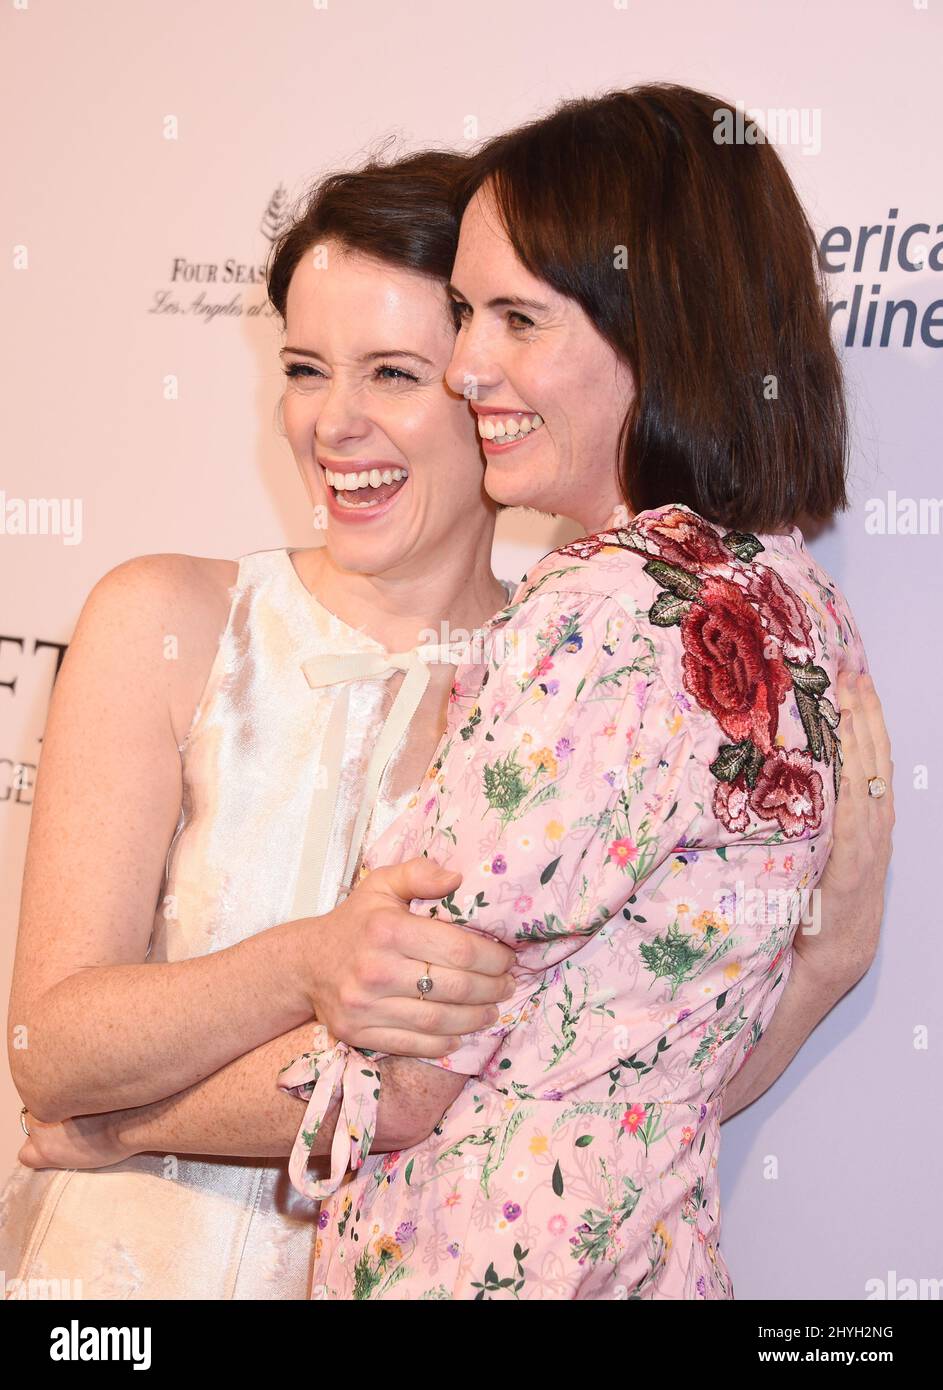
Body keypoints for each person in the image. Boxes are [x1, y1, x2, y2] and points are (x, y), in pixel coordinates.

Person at [7, 122, 891, 1300]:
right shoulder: (165, 614)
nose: (334, 424)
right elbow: (48, 1050)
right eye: (305, 368)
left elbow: (529, 1079)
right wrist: (308, 964)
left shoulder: (591, 640)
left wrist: (125, 1123)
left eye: (398, 370)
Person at [270, 84, 893, 1299]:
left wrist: (117, 1125)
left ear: (658, 329)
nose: (464, 368)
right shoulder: (792, 600)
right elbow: (660, 1062)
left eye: (517, 319)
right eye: (463, 314)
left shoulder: (605, 611)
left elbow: (405, 1061)